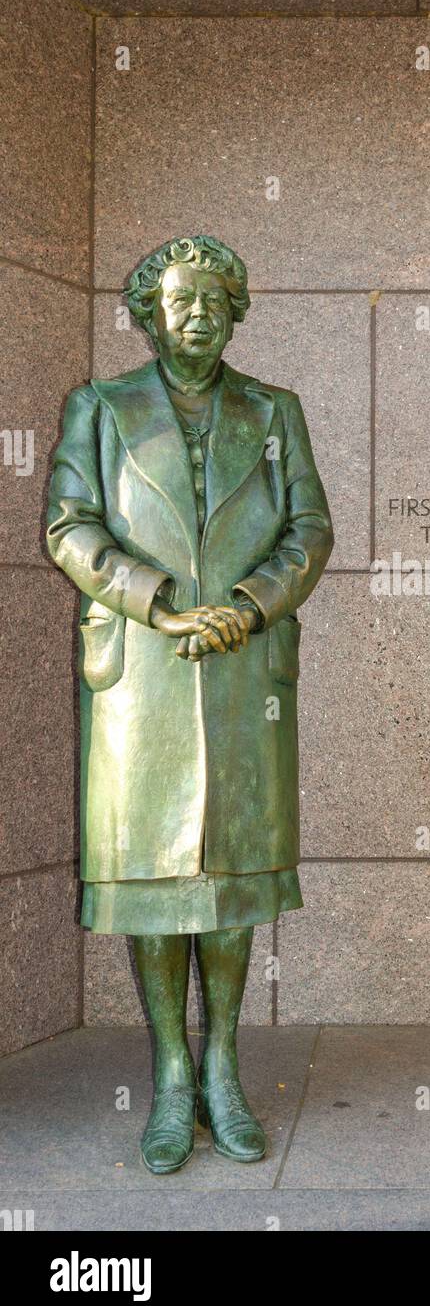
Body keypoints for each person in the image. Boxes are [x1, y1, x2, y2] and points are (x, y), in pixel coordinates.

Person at [46, 235, 334, 1174]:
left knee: (236, 878)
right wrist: (156, 601)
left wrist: (248, 606)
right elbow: (68, 525)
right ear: (149, 312)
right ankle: (171, 1072)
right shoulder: (99, 409)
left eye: (215, 299)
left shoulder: (276, 410)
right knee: (155, 873)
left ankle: (223, 1065)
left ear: (236, 310)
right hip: (141, 669)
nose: (199, 313)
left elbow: (310, 529)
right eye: (181, 300)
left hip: (248, 669)